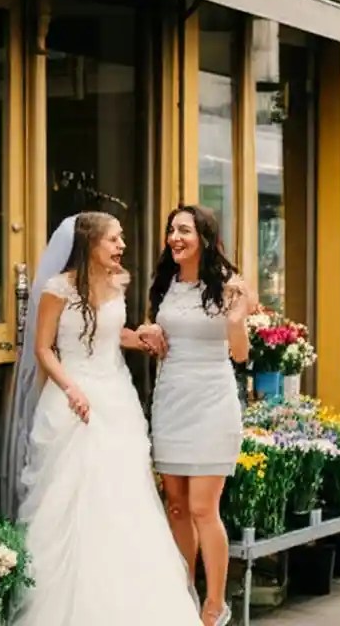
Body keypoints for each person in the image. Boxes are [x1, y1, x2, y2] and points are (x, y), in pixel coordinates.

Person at [5, 212, 200, 626]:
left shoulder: (117, 283)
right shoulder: (58, 289)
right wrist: (71, 388)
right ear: (90, 242)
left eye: (121, 238)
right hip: (72, 404)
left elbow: (113, 337)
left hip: (116, 402)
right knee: (70, 500)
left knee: (126, 499)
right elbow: (43, 349)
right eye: (114, 239)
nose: (121, 246)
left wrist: (142, 338)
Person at [135, 205, 252, 626]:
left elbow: (239, 353)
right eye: (171, 229)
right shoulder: (165, 282)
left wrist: (237, 317)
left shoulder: (231, 286)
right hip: (171, 399)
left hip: (211, 400)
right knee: (177, 507)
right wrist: (149, 333)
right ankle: (181, 595)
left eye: (184, 229)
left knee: (204, 508)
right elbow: (159, 331)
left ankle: (215, 603)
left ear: (204, 236)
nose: (174, 236)